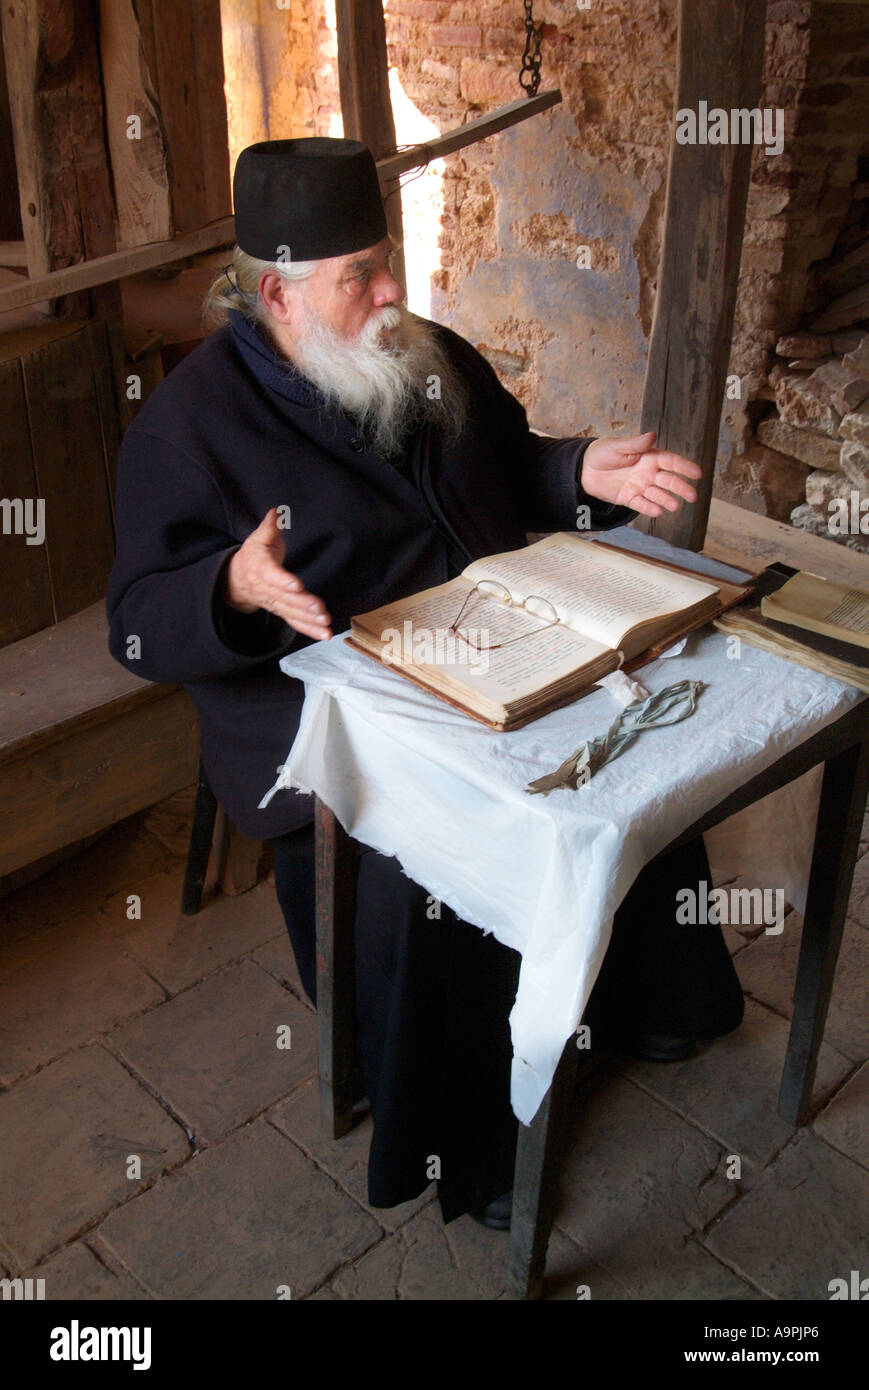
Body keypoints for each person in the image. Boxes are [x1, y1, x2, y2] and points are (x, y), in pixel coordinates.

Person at [106, 137, 743, 1231]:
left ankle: (648, 995)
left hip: (493, 647)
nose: (390, 291)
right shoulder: (188, 428)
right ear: (279, 293)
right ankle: (469, 1140)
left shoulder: (420, 352)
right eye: (360, 274)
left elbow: (507, 459)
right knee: (438, 867)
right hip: (331, 717)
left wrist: (577, 472)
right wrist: (230, 584)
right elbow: (134, 625)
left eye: (383, 259)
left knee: (636, 741)